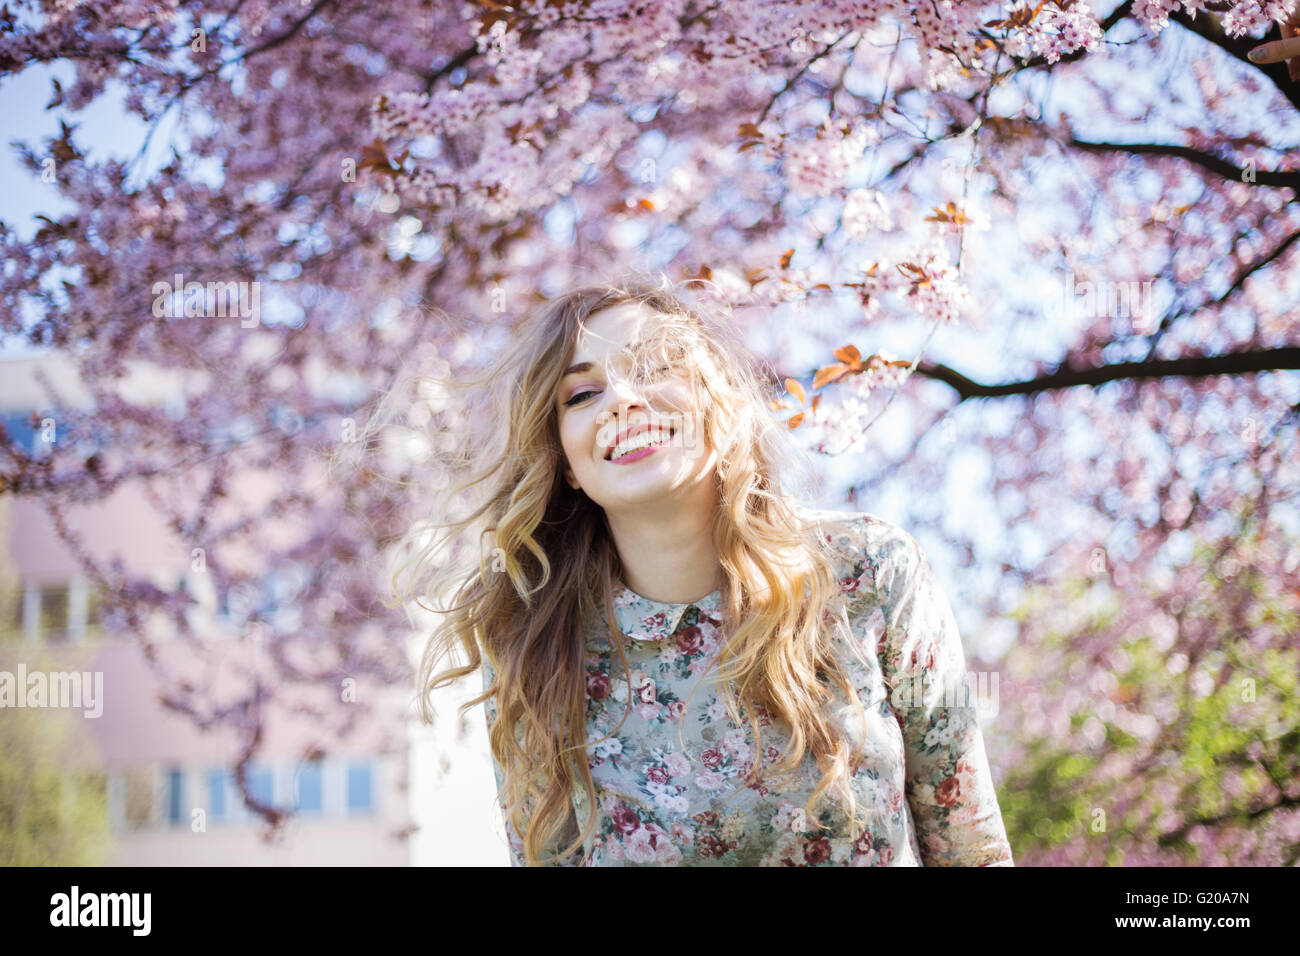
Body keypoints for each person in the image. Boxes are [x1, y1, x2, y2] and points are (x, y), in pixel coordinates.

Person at [396, 273, 1014, 866]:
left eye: (655, 367)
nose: (623, 398)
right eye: (582, 393)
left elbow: (970, 848)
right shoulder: (534, 642)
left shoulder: (868, 573)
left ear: (720, 402)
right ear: (565, 464)